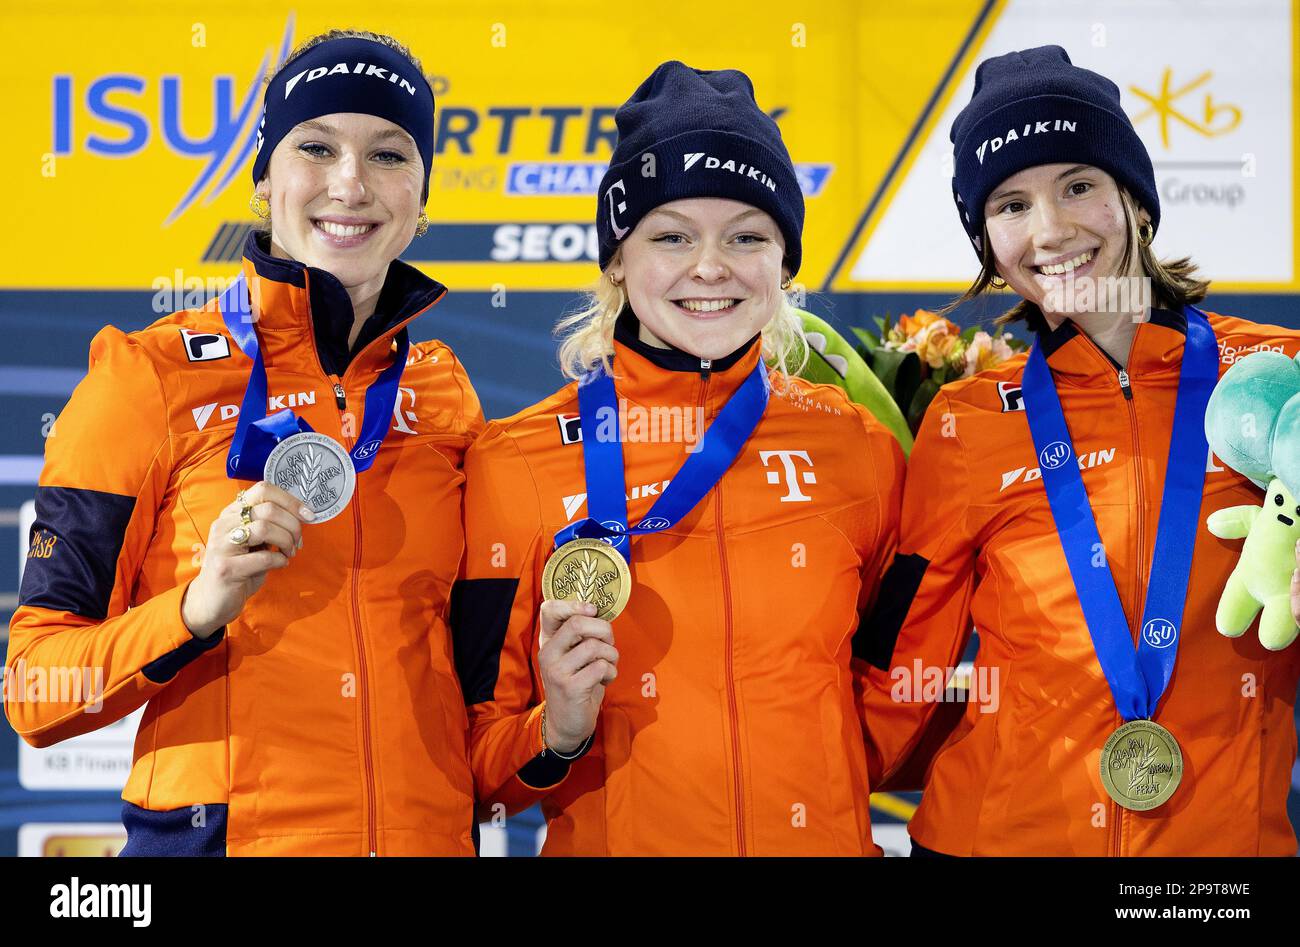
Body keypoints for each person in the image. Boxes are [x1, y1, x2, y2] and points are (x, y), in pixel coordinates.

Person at [5, 30, 484, 855]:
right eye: (316, 146)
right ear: (264, 181)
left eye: (389, 154)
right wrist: (193, 610)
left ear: (422, 199)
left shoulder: (446, 394)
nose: (350, 182)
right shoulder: (144, 377)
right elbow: (36, 687)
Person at [451, 61, 906, 856]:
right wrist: (555, 731)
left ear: (785, 263)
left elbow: (902, 689)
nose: (709, 267)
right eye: (671, 235)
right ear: (617, 259)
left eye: (746, 236)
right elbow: (474, 763)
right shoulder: (512, 462)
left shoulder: (857, 449)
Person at [860, 45, 1300, 855]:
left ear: (1134, 200)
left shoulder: (1275, 381)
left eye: (1078, 185)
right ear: (988, 243)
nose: (1051, 229)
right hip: (995, 838)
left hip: (1216, 862)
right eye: (1011, 204)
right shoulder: (965, 422)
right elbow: (899, 665)